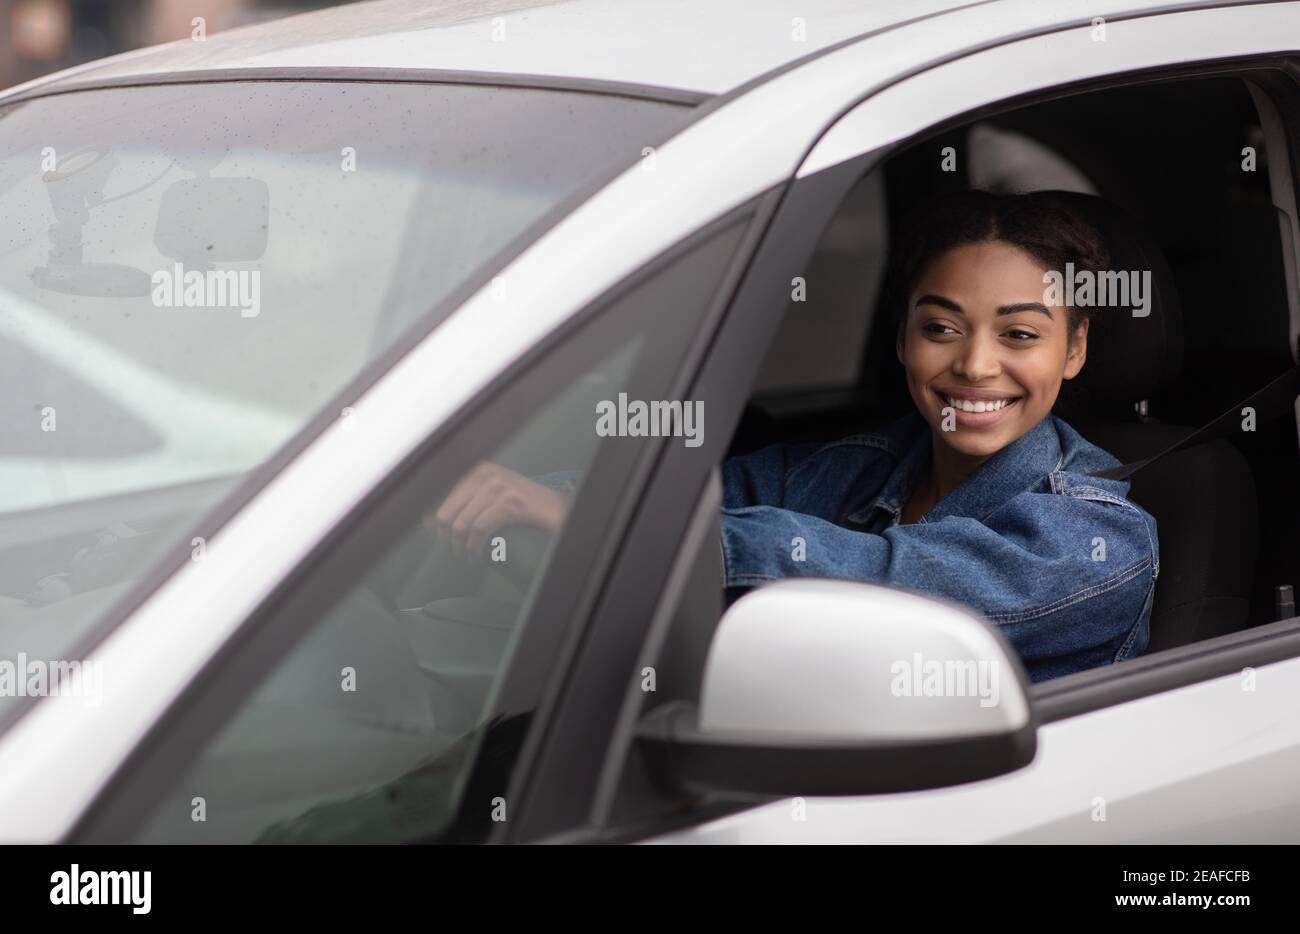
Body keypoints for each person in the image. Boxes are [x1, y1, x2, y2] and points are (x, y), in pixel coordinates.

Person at [432, 190, 1159, 683]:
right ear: (902, 339)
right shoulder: (849, 467)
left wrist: (602, 530)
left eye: (1020, 334)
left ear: (1074, 349)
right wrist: (539, 501)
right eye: (940, 327)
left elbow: (887, 579)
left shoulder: (1100, 541)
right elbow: (681, 496)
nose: (974, 364)